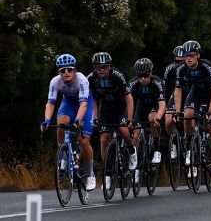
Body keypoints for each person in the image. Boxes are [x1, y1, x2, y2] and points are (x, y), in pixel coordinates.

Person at [40, 54, 96, 190]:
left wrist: (78, 119)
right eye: (62, 70)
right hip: (69, 104)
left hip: (85, 104)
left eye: (69, 69)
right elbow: (50, 103)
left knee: (83, 140)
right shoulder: (55, 82)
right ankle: (63, 155)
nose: (66, 73)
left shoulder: (82, 80)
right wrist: (47, 120)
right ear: (59, 72)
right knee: (61, 122)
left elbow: (83, 104)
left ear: (75, 70)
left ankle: (90, 174)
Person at [88, 52, 138, 190]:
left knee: (123, 130)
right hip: (106, 109)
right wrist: (95, 117)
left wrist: (129, 118)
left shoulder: (117, 75)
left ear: (109, 66)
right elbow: (93, 100)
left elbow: (129, 98)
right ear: (94, 67)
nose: (102, 70)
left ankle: (131, 150)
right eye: (99, 68)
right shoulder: (91, 78)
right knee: (104, 138)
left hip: (120, 107)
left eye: (105, 67)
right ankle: (108, 172)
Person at [174, 40, 211, 180]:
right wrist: (177, 111)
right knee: (187, 115)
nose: (188, 58)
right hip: (196, 93)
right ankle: (189, 147)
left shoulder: (206, 65)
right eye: (185, 55)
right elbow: (177, 91)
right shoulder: (181, 68)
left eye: (191, 55)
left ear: (198, 56)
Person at [127, 58, 166, 164]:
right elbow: (127, 102)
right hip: (141, 107)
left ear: (151, 72)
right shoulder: (133, 83)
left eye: (145, 75)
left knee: (152, 118)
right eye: (139, 76)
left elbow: (162, 103)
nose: (143, 79)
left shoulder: (158, 82)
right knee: (135, 135)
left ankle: (157, 149)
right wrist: (128, 119)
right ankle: (136, 163)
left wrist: (159, 117)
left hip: (155, 105)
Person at [162, 45, 185, 159]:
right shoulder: (170, 68)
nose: (179, 64)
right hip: (176, 94)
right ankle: (174, 142)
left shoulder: (190, 67)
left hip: (191, 93)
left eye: (182, 61)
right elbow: (164, 86)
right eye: (177, 61)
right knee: (168, 121)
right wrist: (162, 102)